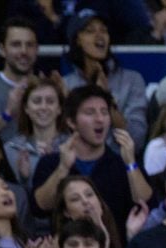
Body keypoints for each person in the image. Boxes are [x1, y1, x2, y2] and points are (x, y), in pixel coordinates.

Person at [30, 84, 150, 227]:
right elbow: (40, 207)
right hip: (69, 245)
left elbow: (145, 204)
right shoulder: (51, 162)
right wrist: (62, 168)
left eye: (104, 112)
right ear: (71, 122)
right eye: (90, 112)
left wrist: (130, 163)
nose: (100, 119)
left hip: (115, 246)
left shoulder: (122, 163)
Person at [59, 10, 149, 149]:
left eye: (104, 30)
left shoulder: (132, 80)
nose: (99, 35)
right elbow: (61, 141)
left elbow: (136, 140)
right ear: (77, 40)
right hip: (77, 165)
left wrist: (106, 98)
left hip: (119, 164)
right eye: (90, 31)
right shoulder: (66, 85)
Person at [4, 76, 67, 190]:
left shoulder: (72, 147)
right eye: (37, 101)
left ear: (59, 109)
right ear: (26, 108)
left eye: (50, 101)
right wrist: (24, 179)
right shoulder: (10, 150)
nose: (43, 107)